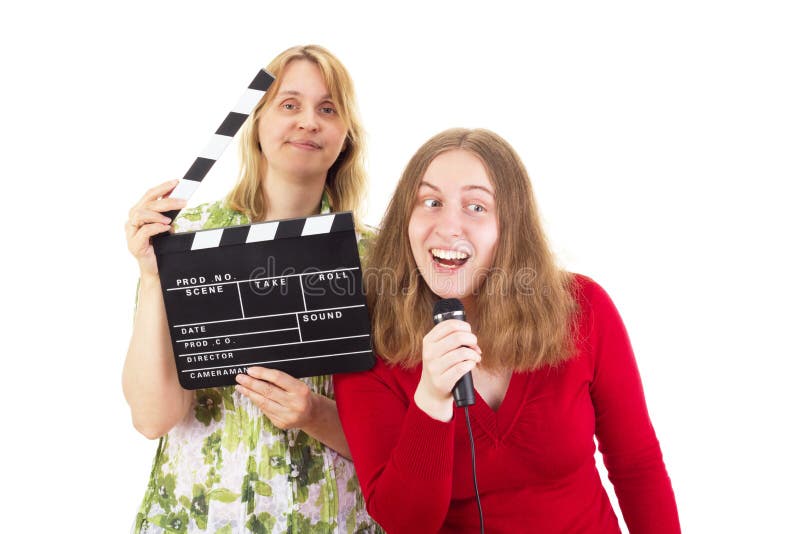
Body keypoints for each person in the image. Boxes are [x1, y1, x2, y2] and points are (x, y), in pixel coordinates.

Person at [334, 128, 681, 533]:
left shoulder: (584, 308)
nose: (448, 227)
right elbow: (405, 522)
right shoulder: (368, 343)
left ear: (510, 225)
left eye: (476, 207)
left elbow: (636, 465)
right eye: (430, 202)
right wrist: (430, 399)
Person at [124, 45, 380, 533]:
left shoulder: (377, 257)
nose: (308, 121)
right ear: (256, 122)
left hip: (331, 521)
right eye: (289, 104)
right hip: (200, 517)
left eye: (328, 108)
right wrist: (154, 278)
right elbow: (153, 418)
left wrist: (316, 413)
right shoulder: (182, 239)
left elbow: (399, 441)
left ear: (345, 136)